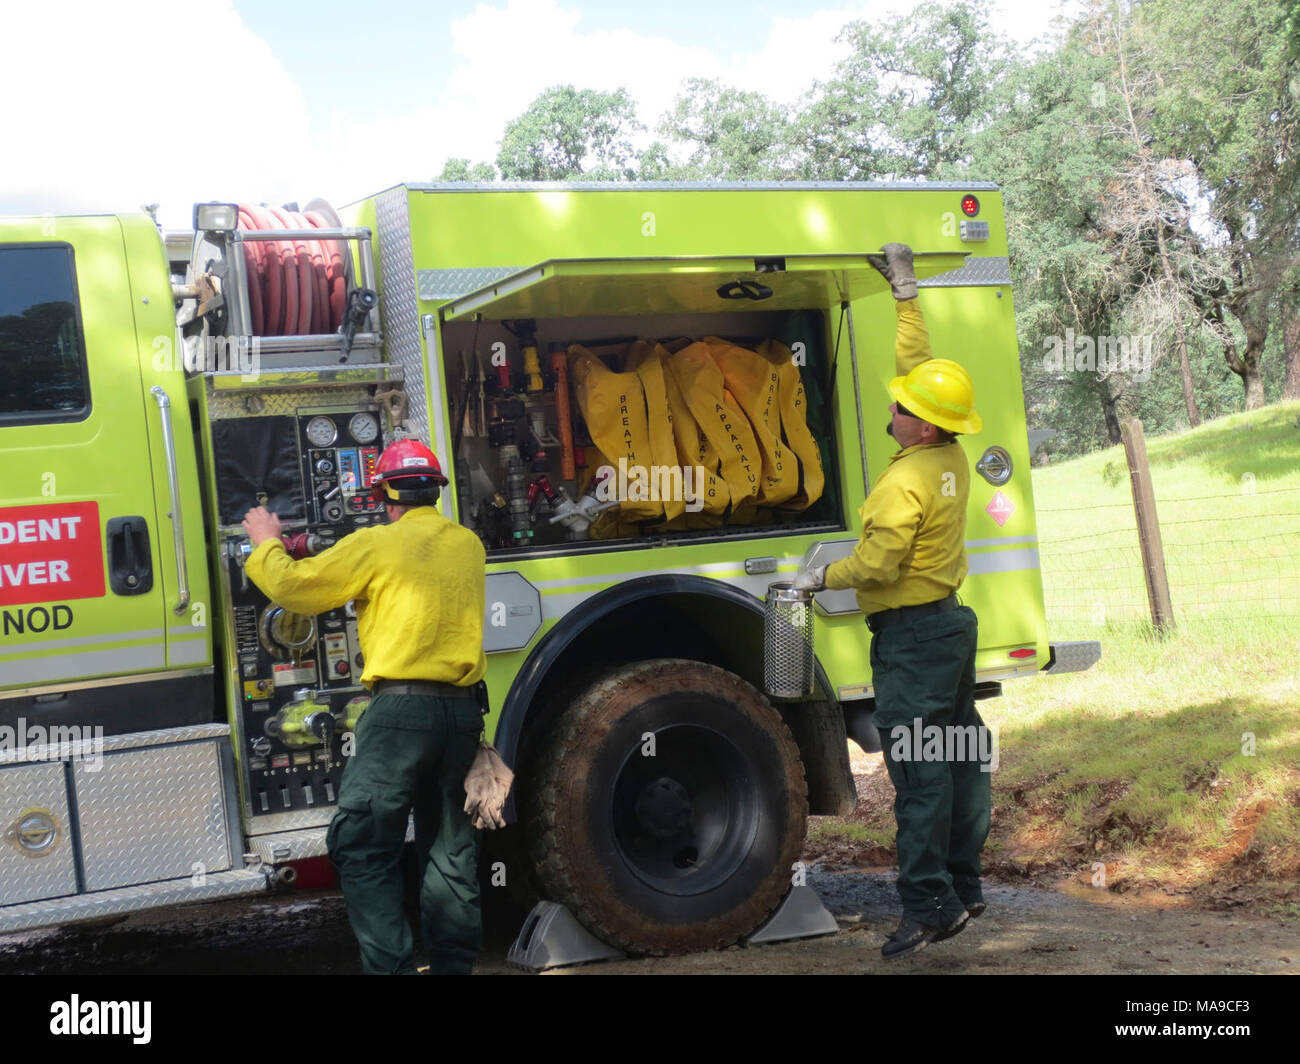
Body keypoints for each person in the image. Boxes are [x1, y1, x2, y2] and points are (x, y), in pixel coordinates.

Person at [795, 244, 990, 960]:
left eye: (903, 407)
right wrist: (906, 298)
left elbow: (878, 560)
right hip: (951, 629)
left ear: (926, 425)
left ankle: (930, 907)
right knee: (962, 757)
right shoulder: (947, 457)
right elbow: (920, 369)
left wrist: (822, 578)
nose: (893, 403)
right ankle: (965, 888)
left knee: (918, 775)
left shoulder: (903, 484)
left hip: (910, 642)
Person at [241, 438, 487, 975]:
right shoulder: (468, 544)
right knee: (449, 852)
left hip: (401, 716)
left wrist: (268, 542)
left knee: (362, 844)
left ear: (384, 495)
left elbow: (296, 589)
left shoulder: (376, 544)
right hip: (463, 715)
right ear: (436, 492)